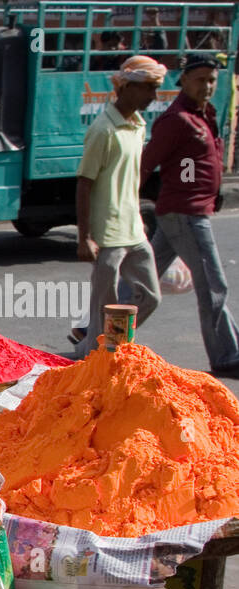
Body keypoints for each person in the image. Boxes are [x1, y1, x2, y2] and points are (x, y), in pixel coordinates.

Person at [140, 54, 239, 374]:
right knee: (214, 285)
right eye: (200, 79)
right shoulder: (177, 119)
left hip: (186, 210)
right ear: (183, 80)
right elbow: (145, 163)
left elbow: (194, 164)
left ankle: (94, 334)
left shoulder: (203, 114)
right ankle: (227, 356)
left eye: (212, 80)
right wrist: (127, 207)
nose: (207, 86)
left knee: (142, 282)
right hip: (185, 213)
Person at [70, 56, 166, 356]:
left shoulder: (137, 126)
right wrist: (84, 236)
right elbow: (84, 183)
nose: (153, 96)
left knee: (150, 296)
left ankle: (105, 347)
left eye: (155, 89)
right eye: (148, 88)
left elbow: (128, 179)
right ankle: (97, 360)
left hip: (133, 230)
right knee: (102, 308)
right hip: (107, 235)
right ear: (125, 87)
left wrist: (137, 213)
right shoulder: (103, 130)